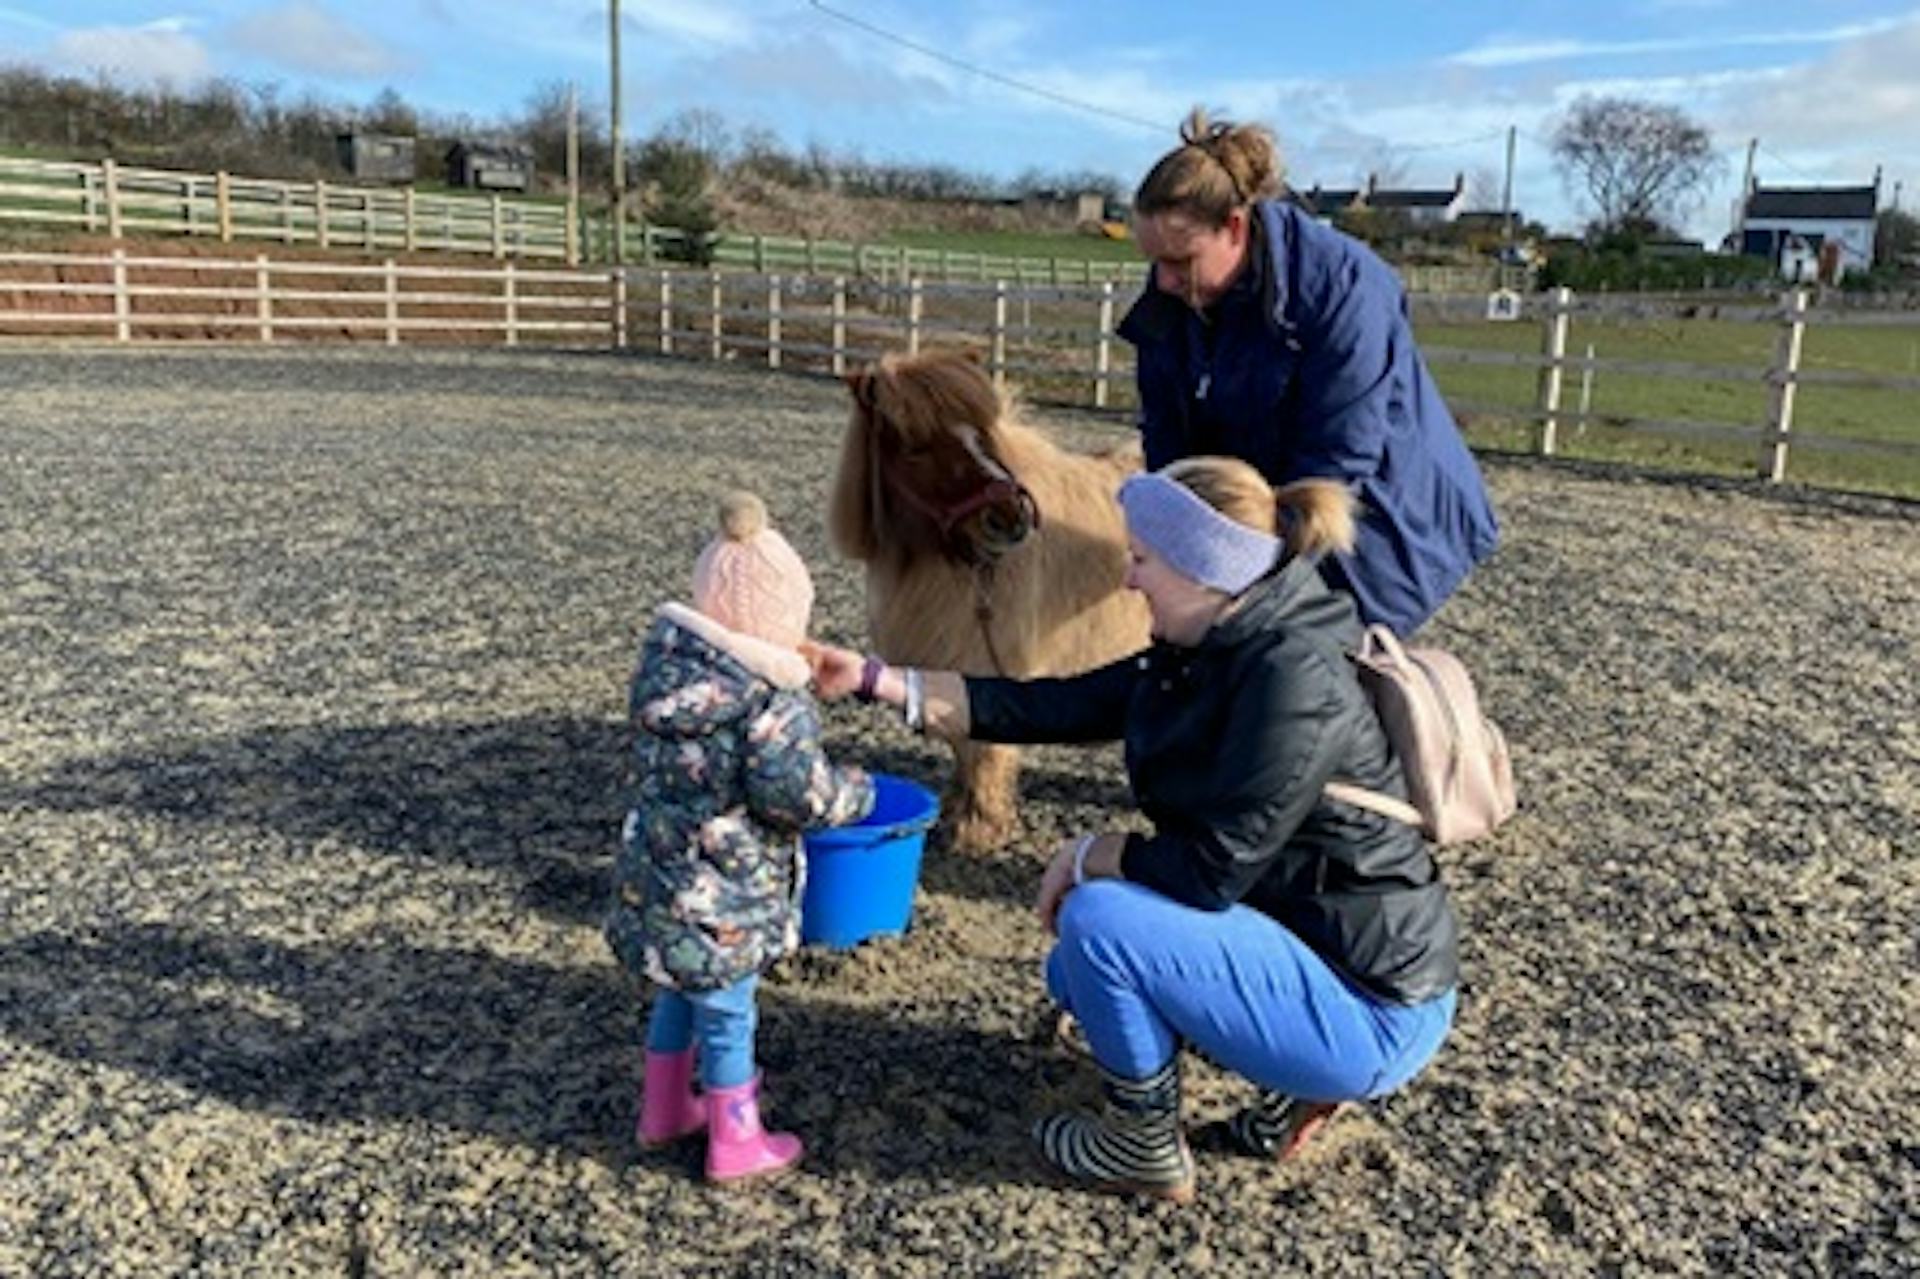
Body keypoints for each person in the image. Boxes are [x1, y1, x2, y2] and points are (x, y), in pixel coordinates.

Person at [808, 457, 1459, 1203]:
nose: (1128, 580)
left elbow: (1210, 872)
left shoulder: (1292, 683)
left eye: (1142, 559)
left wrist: (1092, 854)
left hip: (1372, 1005)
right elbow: (1054, 706)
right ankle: (1290, 1080)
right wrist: (873, 679)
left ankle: (1142, 1143)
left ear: (1202, 568)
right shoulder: (1215, 642)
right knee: (1076, 973)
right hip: (1315, 944)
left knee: (1101, 923)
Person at [1121, 108, 1499, 638]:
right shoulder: (1175, 296)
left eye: (1180, 260)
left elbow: (1338, 460)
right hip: (1262, 516)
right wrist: (1177, 538)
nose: (1162, 280)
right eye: (1153, 260)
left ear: (1234, 227)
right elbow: (1167, 432)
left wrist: (1242, 565)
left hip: (1376, 524)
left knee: (1328, 680)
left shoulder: (1344, 287)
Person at [605, 491, 874, 1184]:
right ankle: (735, 1139)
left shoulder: (665, 677)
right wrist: (857, 791)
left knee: (677, 988)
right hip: (727, 888)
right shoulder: (769, 703)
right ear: (781, 622)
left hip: (661, 876)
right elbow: (797, 795)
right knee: (728, 1009)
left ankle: (664, 1110)